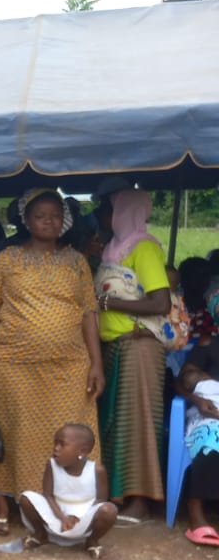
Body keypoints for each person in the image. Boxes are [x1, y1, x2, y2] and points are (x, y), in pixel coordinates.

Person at [0, 189, 103, 533]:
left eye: (55, 215)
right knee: (11, 433)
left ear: (65, 221)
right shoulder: (7, 259)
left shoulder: (77, 261)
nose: (49, 221)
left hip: (69, 366)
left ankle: (69, 507)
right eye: (40, 216)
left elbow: (90, 314)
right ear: (26, 220)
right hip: (14, 364)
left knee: (67, 437)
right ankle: (3, 505)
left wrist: (97, 363)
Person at [94, 184, 170, 522]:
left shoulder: (144, 249)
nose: (104, 216)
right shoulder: (113, 250)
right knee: (116, 424)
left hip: (140, 348)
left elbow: (160, 302)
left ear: (127, 212)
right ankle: (120, 494)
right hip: (117, 346)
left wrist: (110, 303)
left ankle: (142, 499)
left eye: (111, 209)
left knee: (138, 423)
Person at [18, 424, 117, 558]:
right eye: (55, 443)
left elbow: (100, 500)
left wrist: (77, 517)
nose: (56, 448)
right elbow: (48, 495)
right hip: (57, 513)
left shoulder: (97, 470)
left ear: (82, 452)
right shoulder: (51, 465)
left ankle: (92, 541)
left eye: (62, 444)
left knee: (109, 510)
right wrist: (62, 517)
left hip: (83, 518)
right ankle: (41, 534)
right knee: (26, 497)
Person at [176, 348, 219, 545]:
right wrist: (200, 401)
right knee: (212, 439)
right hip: (207, 412)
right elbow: (181, 383)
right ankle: (196, 512)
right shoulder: (208, 344)